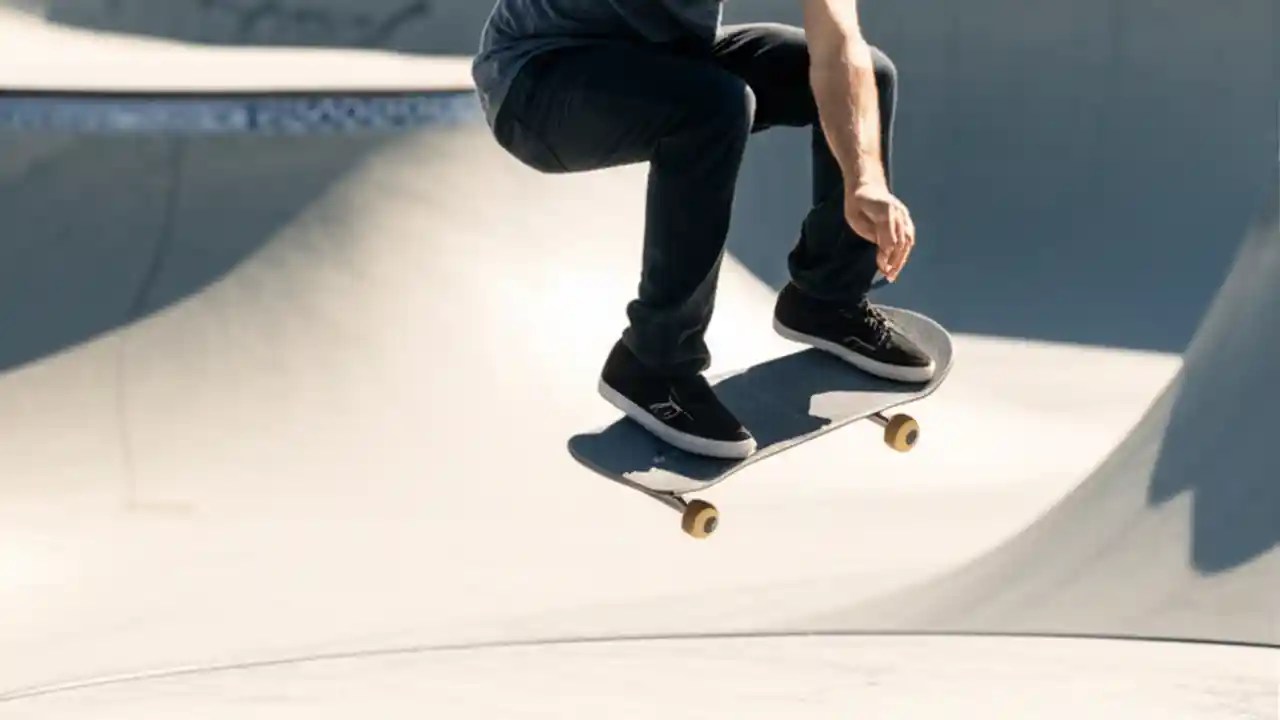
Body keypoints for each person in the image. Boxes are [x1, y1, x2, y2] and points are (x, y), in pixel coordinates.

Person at [473, 0, 935, 459]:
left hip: (663, 57)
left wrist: (864, 179)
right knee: (716, 106)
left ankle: (827, 300)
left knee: (868, 76)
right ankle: (652, 363)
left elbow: (837, 45)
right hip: (537, 80)